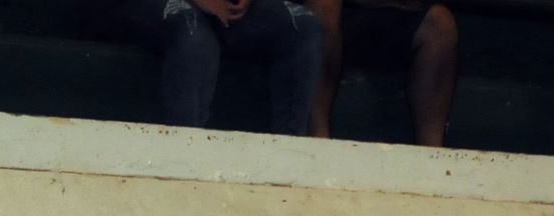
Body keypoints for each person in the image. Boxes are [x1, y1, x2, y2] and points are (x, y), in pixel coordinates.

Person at [155, 0, 325, 137]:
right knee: (194, 36)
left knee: (303, 26)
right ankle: (184, 154)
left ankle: (289, 154)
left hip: (238, 9)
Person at [304, 0, 459, 149]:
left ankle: (431, 153)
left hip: (383, 15)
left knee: (440, 23)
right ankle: (318, 137)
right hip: (329, 15)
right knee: (324, 4)